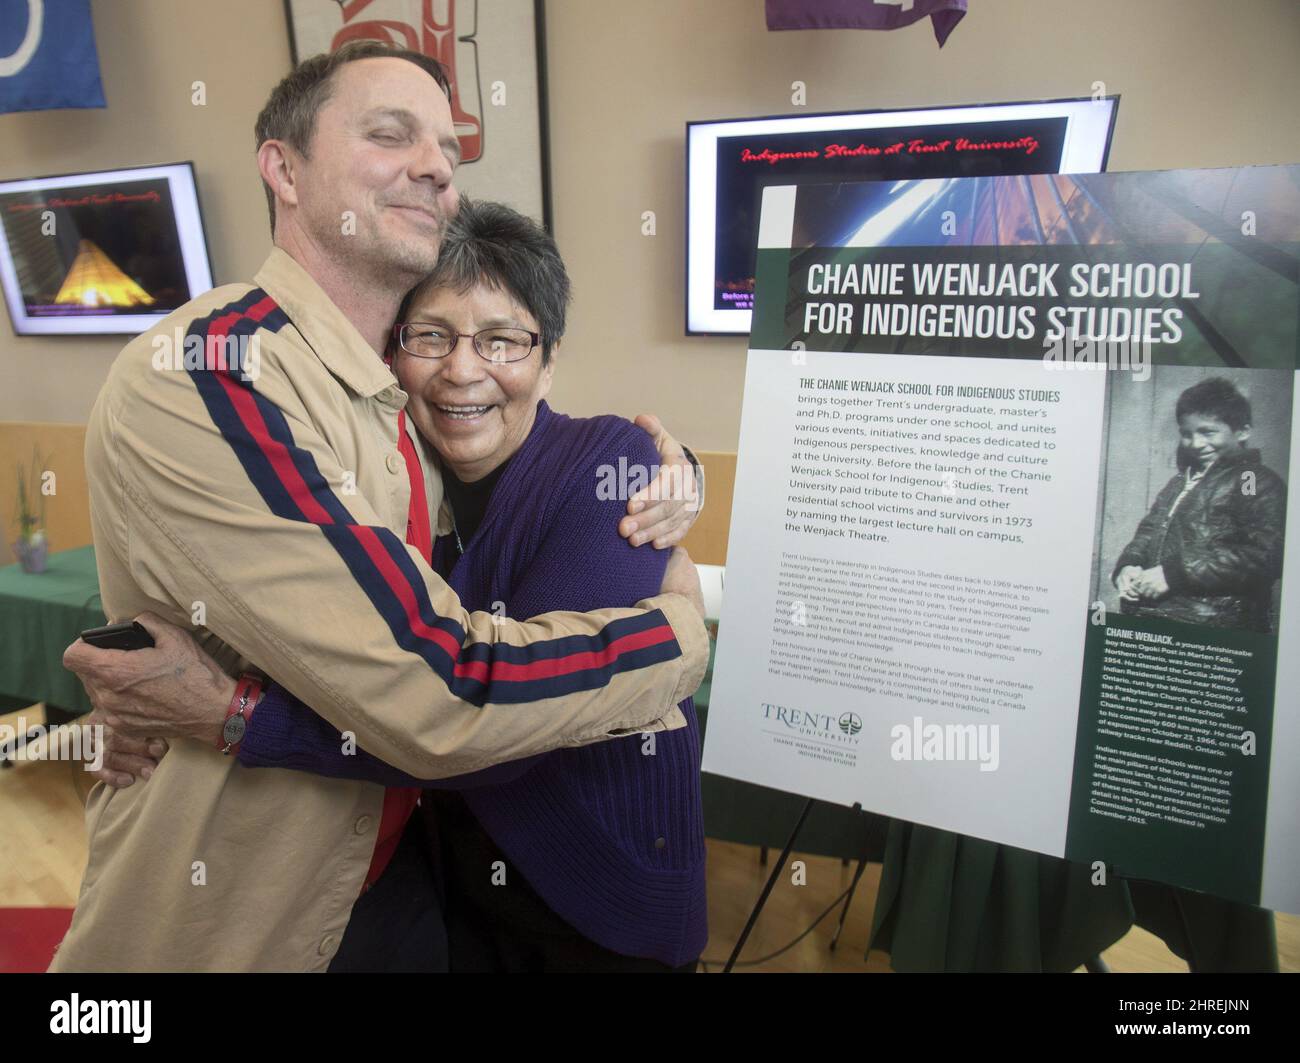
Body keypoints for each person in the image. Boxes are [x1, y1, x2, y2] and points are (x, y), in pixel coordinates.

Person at [53, 41, 708, 973]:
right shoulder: (220, 368)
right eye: (390, 133)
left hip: (421, 881)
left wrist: (672, 471)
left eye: (447, 146)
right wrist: (676, 636)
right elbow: (436, 694)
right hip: (252, 912)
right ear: (282, 166)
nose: (437, 164)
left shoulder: (393, 409)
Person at [1112, 376, 1286, 632]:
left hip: (1213, 628)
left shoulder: (1249, 478)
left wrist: (1175, 574)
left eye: (1208, 432)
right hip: (1158, 618)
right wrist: (1129, 565)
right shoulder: (1180, 481)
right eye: (1187, 434)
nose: (1196, 444)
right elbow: (1149, 530)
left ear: (1243, 431)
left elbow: (1263, 555)